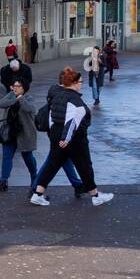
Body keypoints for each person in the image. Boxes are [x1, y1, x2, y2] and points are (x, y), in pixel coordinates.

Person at [31, 68, 114, 207]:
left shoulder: (57, 94)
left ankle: (38, 194)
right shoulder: (76, 100)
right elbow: (72, 122)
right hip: (74, 139)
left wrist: (55, 135)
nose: (81, 84)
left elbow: (52, 116)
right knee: (85, 166)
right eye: (80, 82)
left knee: (52, 165)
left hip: (56, 135)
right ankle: (95, 195)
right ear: (74, 83)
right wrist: (66, 139)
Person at [35, 73, 87, 199]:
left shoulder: (56, 91)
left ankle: (77, 185)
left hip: (56, 131)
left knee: (63, 159)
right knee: (52, 162)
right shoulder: (62, 93)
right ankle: (35, 188)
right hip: (59, 132)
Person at [0, 79, 40, 192]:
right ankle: (3, 181)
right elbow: (1, 104)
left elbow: (32, 109)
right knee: (7, 157)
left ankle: (34, 176)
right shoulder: (11, 95)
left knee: (28, 157)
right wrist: (14, 97)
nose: (15, 88)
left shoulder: (29, 98)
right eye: (14, 86)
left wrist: (21, 99)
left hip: (25, 133)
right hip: (10, 132)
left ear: (23, 87)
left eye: (18, 86)